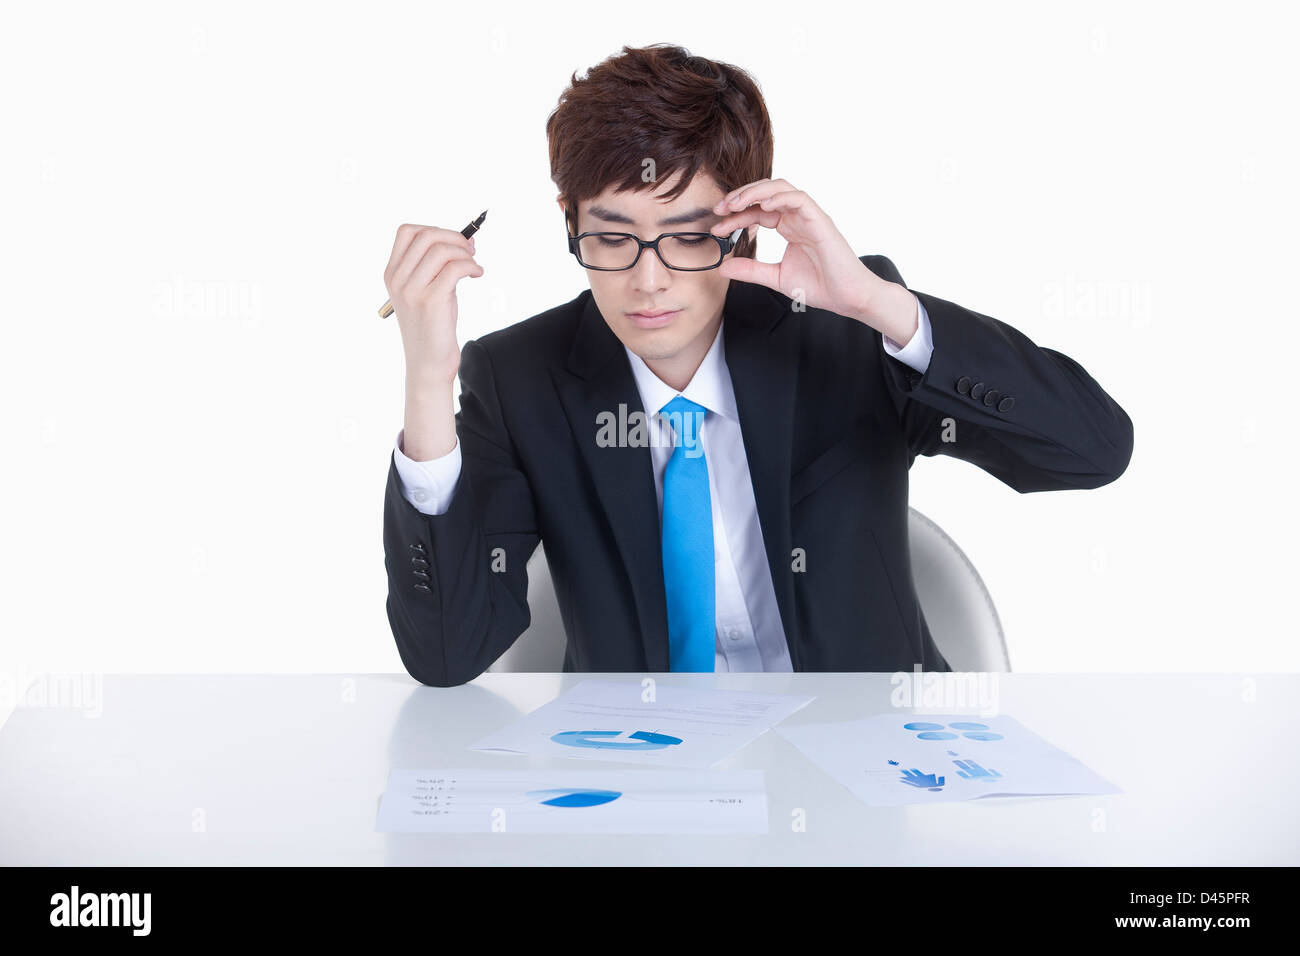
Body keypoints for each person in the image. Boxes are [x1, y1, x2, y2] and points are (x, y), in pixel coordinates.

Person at [380, 44, 1133, 686]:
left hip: (865, 766)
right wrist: (426, 382)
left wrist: (880, 307)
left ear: (743, 227)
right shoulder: (521, 380)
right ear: (569, 223)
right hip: (646, 779)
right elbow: (447, 653)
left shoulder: (841, 333)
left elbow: (1093, 451)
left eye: (687, 235)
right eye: (611, 238)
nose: (649, 281)